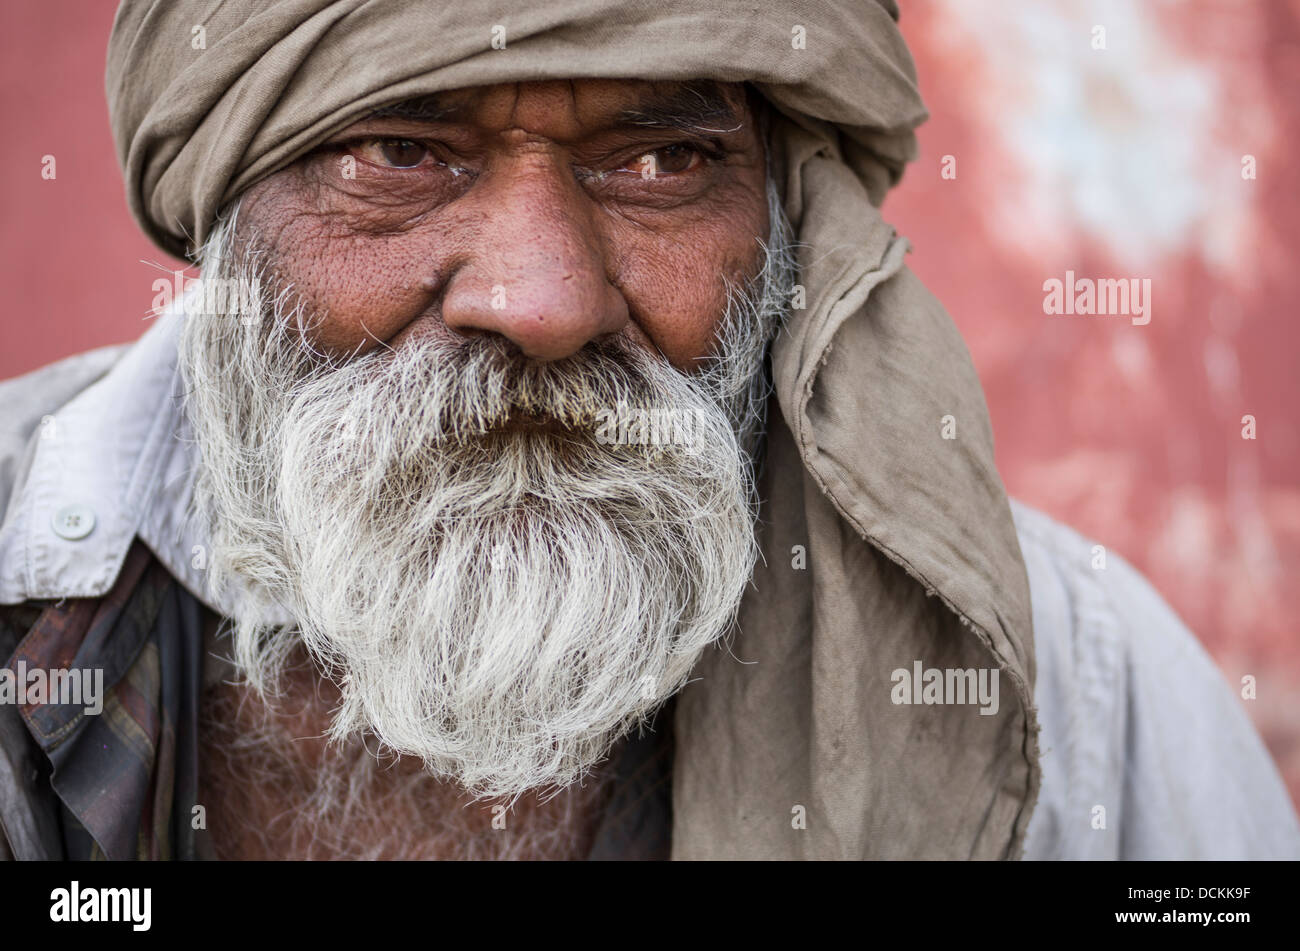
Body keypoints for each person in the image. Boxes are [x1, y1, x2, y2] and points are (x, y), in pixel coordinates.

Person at [1, 0, 1296, 860]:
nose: (545, 302)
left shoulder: (1075, 684)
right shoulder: (30, 576)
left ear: (786, 230)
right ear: (228, 223)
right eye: (398, 153)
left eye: (662, 166)